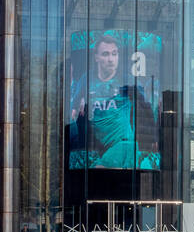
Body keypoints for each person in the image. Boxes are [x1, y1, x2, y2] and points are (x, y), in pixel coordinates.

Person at [69, 35, 161, 171]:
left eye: (114, 54)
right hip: (96, 143)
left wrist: (153, 139)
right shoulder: (86, 80)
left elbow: (145, 110)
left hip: (122, 143)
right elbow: (73, 111)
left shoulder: (128, 82)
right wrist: (78, 109)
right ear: (96, 58)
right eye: (105, 54)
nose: (111, 59)